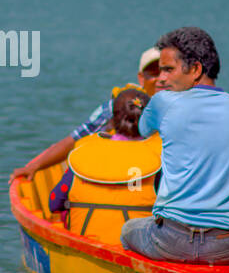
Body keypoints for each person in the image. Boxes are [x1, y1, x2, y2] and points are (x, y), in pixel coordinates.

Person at [121, 27, 229, 265]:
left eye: (167, 69)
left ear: (195, 69)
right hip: (227, 245)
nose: (161, 79)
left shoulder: (162, 102)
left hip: (169, 241)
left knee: (128, 230)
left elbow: (144, 129)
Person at [10, 47, 164, 182]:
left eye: (167, 70)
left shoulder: (186, 106)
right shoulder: (118, 106)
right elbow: (76, 139)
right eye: (153, 73)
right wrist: (33, 167)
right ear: (141, 78)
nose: (161, 79)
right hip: (127, 177)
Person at [49, 87, 152, 220]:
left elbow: (54, 203)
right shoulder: (159, 156)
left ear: (112, 120)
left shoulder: (84, 153)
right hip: (137, 237)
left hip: (87, 232)